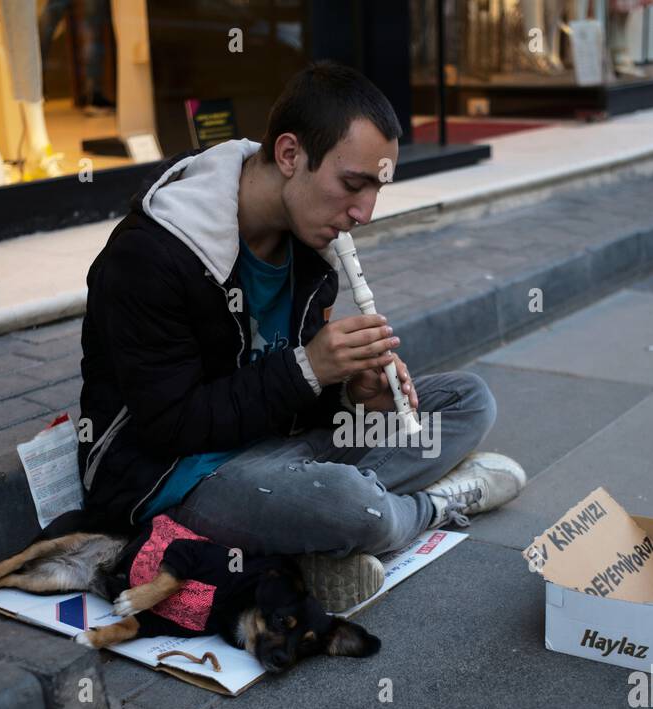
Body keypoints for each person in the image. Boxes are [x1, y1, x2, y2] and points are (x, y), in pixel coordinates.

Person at [77, 61, 526, 609]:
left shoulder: (309, 251)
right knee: (358, 508)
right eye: (352, 184)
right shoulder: (152, 256)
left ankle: (310, 533)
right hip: (181, 478)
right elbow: (172, 424)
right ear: (290, 155)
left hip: (280, 450)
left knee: (466, 400)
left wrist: (351, 394)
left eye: (375, 189)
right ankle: (430, 503)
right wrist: (309, 369)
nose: (363, 212)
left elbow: (292, 400)